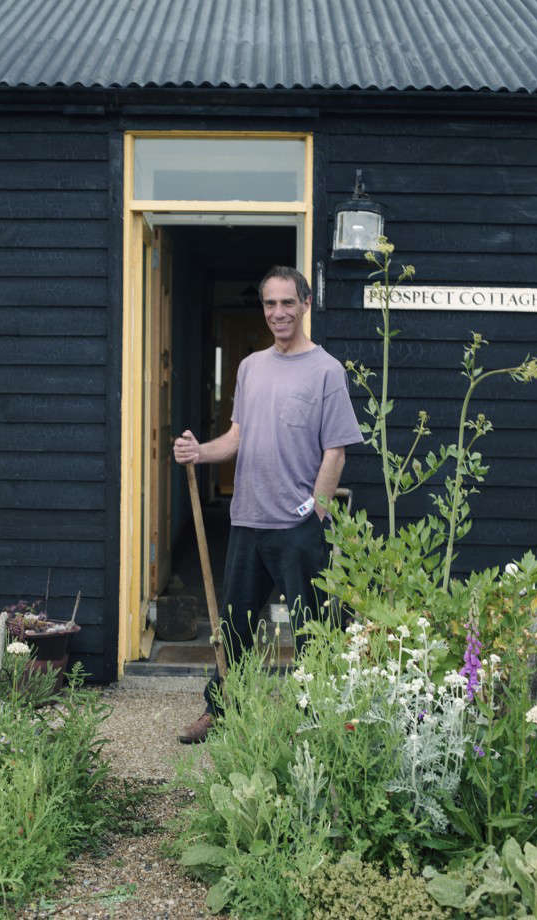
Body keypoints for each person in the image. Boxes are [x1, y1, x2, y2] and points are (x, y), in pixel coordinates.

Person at [173, 265, 362, 743]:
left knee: (313, 631)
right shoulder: (250, 367)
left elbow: (335, 450)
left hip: (298, 528)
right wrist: (200, 452)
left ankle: (318, 717)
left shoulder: (327, 371)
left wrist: (314, 513)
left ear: (304, 304)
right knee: (233, 628)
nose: (278, 312)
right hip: (247, 522)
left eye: (286, 302)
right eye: (269, 304)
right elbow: (237, 437)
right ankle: (220, 710)